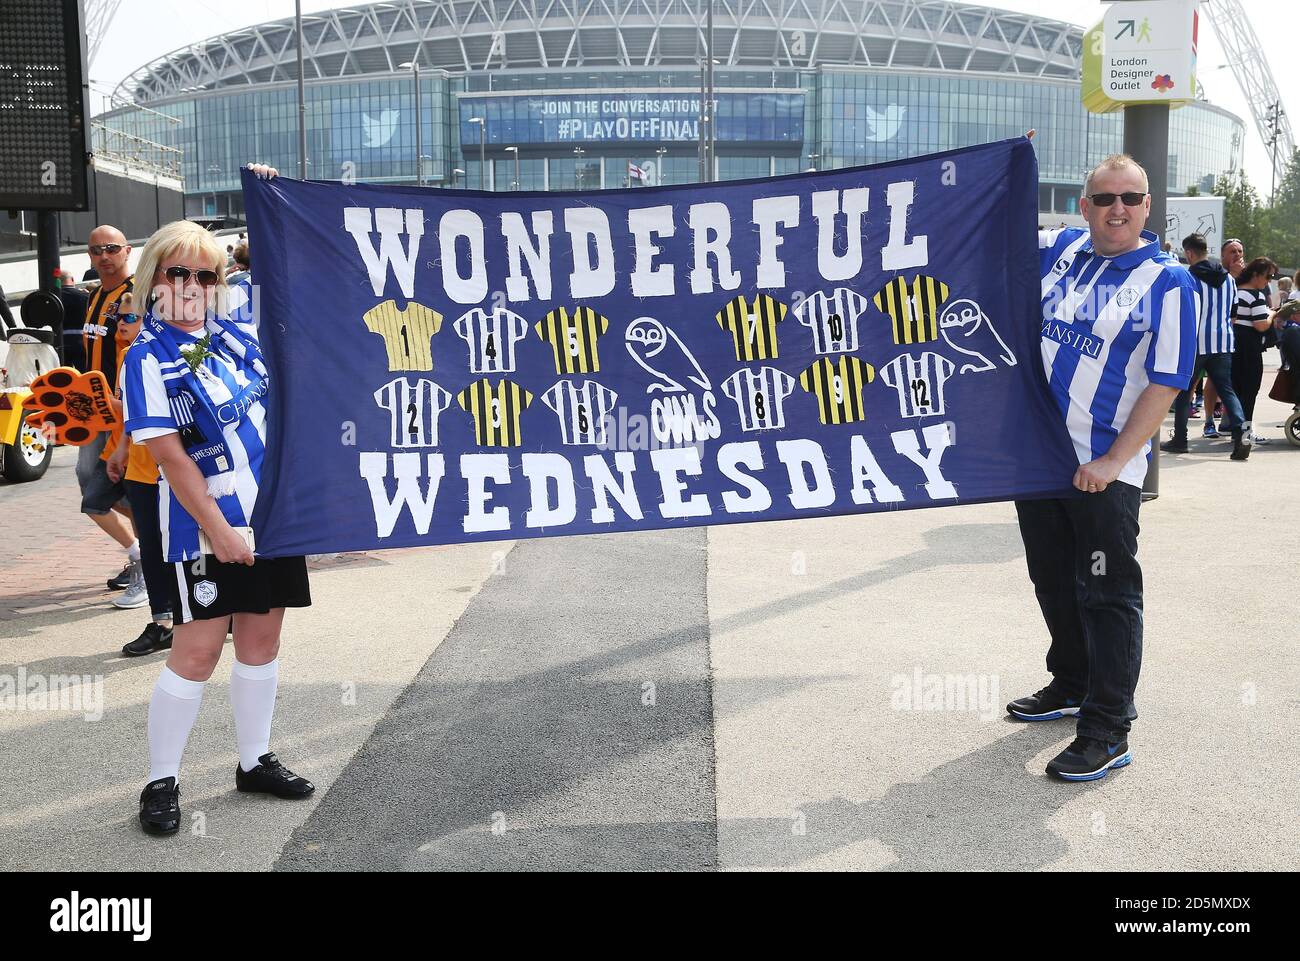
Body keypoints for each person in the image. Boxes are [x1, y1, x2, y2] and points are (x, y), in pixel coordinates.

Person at [122, 177, 314, 837]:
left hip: (271, 519)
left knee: (262, 639)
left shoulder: (238, 336)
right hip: (202, 530)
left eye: (210, 275)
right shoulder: (146, 355)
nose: (197, 284)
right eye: (182, 273)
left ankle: (254, 759)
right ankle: (160, 779)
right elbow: (173, 459)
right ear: (155, 276)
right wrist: (220, 530)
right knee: (197, 651)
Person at [1008, 153, 1197, 782]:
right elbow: (989, 225)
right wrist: (1007, 164)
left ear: (1148, 208)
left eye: (1132, 197)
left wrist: (1116, 460)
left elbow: (1167, 381)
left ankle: (1108, 725)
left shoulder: (1169, 283)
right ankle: (1071, 682)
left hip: (1101, 472)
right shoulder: (1061, 249)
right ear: (1084, 205)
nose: (1118, 208)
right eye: (1105, 197)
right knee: (1052, 580)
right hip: (1040, 462)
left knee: (1107, 593)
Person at [104, 296, 174, 656]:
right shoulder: (128, 355)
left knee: (195, 544)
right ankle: (163, 622)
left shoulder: (178, 348)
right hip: (143, 471)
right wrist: (122, 450)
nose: (121, 322)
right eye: (118, 316)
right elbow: (131, 413)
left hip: (179, 469)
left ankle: (215, 612)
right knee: (153, 546)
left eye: (130, 315)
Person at [79, 226, 141, 593]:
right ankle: (142, 551)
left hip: (120, 410)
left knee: (107, 487)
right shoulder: (94, 295)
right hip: (93, 409)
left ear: (127, 250)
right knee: (92, 483)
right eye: (96, 250)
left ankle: (148, 553)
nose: (103, 256)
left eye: (111, 248)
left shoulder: (134, 295)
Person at [1161, 233, 1249, 459]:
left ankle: (1180, 439)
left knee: (1183, 392)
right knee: (1227, 391)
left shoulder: (1189, 277)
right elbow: (1233, 315)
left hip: (1195, 344)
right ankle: (1243, 435)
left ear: (1189, 253)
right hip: (1223, 342)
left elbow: (1181, 311)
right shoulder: (1229, 279)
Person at [1231, 257, 1277, 446]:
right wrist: (1272, 314)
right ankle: (1245, 435)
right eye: (1268, 276)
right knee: (1250, 392)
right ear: (1256, 275)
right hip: (1249, 347)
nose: (1269, 281)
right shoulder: (1256, 296)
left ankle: (1237, 431)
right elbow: (1260, 325)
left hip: (1233, 344)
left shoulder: (1234, 291)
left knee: (1236, 390)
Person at [56, 271, 88, 371]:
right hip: (81, 340)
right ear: (72, 279)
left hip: (60, 342)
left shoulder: (54, 298)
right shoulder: (85, 296)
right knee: (85, 374)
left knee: (64, 376)